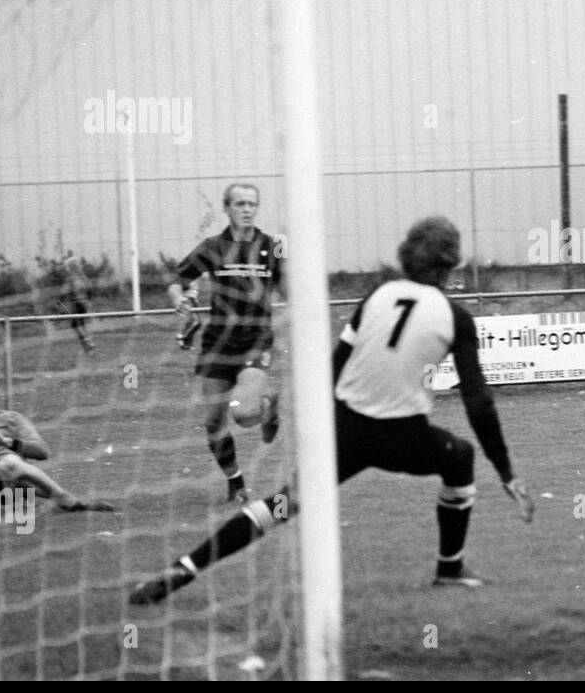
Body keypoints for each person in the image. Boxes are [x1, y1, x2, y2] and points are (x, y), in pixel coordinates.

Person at [130, 215, 532, 603]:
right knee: (460, 458)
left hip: (346, 431)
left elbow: (334, 368)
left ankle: (184, 568)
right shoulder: (456, 317)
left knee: (282, 505)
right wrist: (507, 473)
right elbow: (478, 402)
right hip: (403, 437)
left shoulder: (377, 296)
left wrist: (320, 429)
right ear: (451, 264)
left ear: (407, 254)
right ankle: (450, 570)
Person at [167, 183, 283, 503]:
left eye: (252, 204)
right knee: (213, 421)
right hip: (217, 345)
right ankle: (235, 482)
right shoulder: (212, 247)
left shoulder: (271, 247)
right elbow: (178, 282)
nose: (247, 210)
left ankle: (268, 406)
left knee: (244, 415)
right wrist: (179, 299)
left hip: (255, 341)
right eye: (240, 204)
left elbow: (290, 288)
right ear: (227, 208)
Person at [0, 363, 115, 512]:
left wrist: (8, 442)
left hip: (14, 479)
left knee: (7, 463)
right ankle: (19, 503)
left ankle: (65, 498)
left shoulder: (11, 418)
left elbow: (43, 451)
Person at [57, 255, 95, 353]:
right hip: (84, 304)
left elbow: (64, 292)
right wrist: (88, 300)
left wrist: (59, 302)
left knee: (75, 324)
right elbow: (90, 289)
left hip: (76, 303)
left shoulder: (70, 278)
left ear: (70, 267)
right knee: (81, 323)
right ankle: (87, 345)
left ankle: (87, 342)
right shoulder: (83, 277)